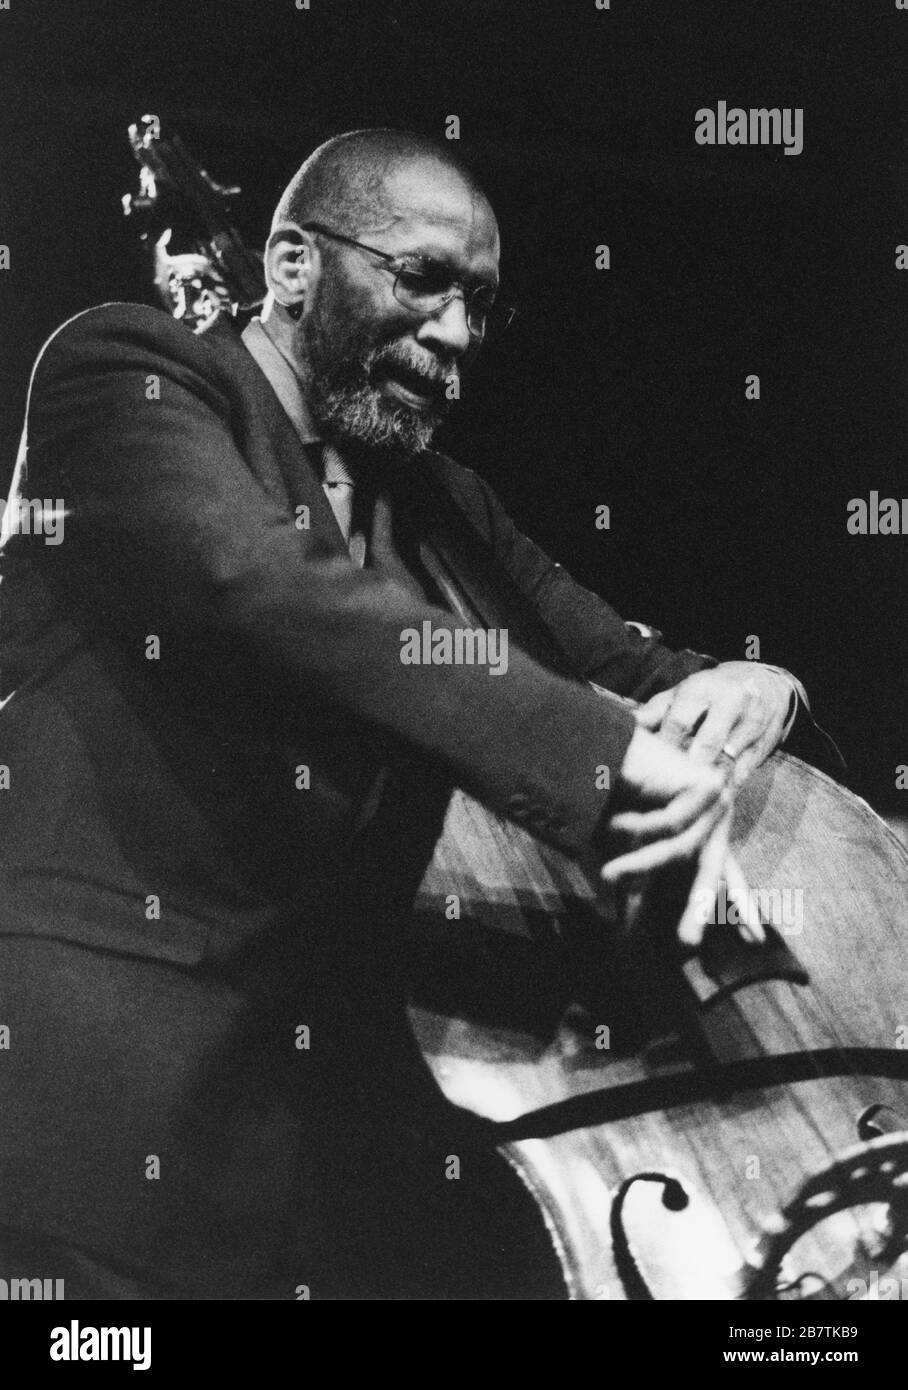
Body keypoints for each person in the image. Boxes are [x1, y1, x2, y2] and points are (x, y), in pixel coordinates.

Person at [0, 128, 812, 1299]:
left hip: (298, 1179)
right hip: (82, 1106)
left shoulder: (441, 508)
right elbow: (259, 589)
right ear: (289, 264)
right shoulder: (128, 372)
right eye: (421, 280)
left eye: (479, 306)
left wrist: (760, 687)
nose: (452, 338)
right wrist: (603, 766)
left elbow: (619, 665)